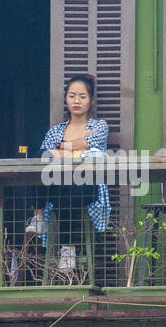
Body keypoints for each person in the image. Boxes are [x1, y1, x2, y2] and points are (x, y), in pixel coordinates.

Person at [33, 74, 110, 273]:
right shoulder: (55, 130)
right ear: (66, 98)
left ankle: (68, 248)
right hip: (59, 185)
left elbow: (91, 144)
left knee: (67, 183)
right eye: (72, 96)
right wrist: (72, 148)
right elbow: (41, 155)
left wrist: (59, 149)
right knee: (37, 168)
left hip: (87, 186)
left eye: (82, 96)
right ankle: (39, 219)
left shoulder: (99, 126)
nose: (77, 101)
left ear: (91, 100)